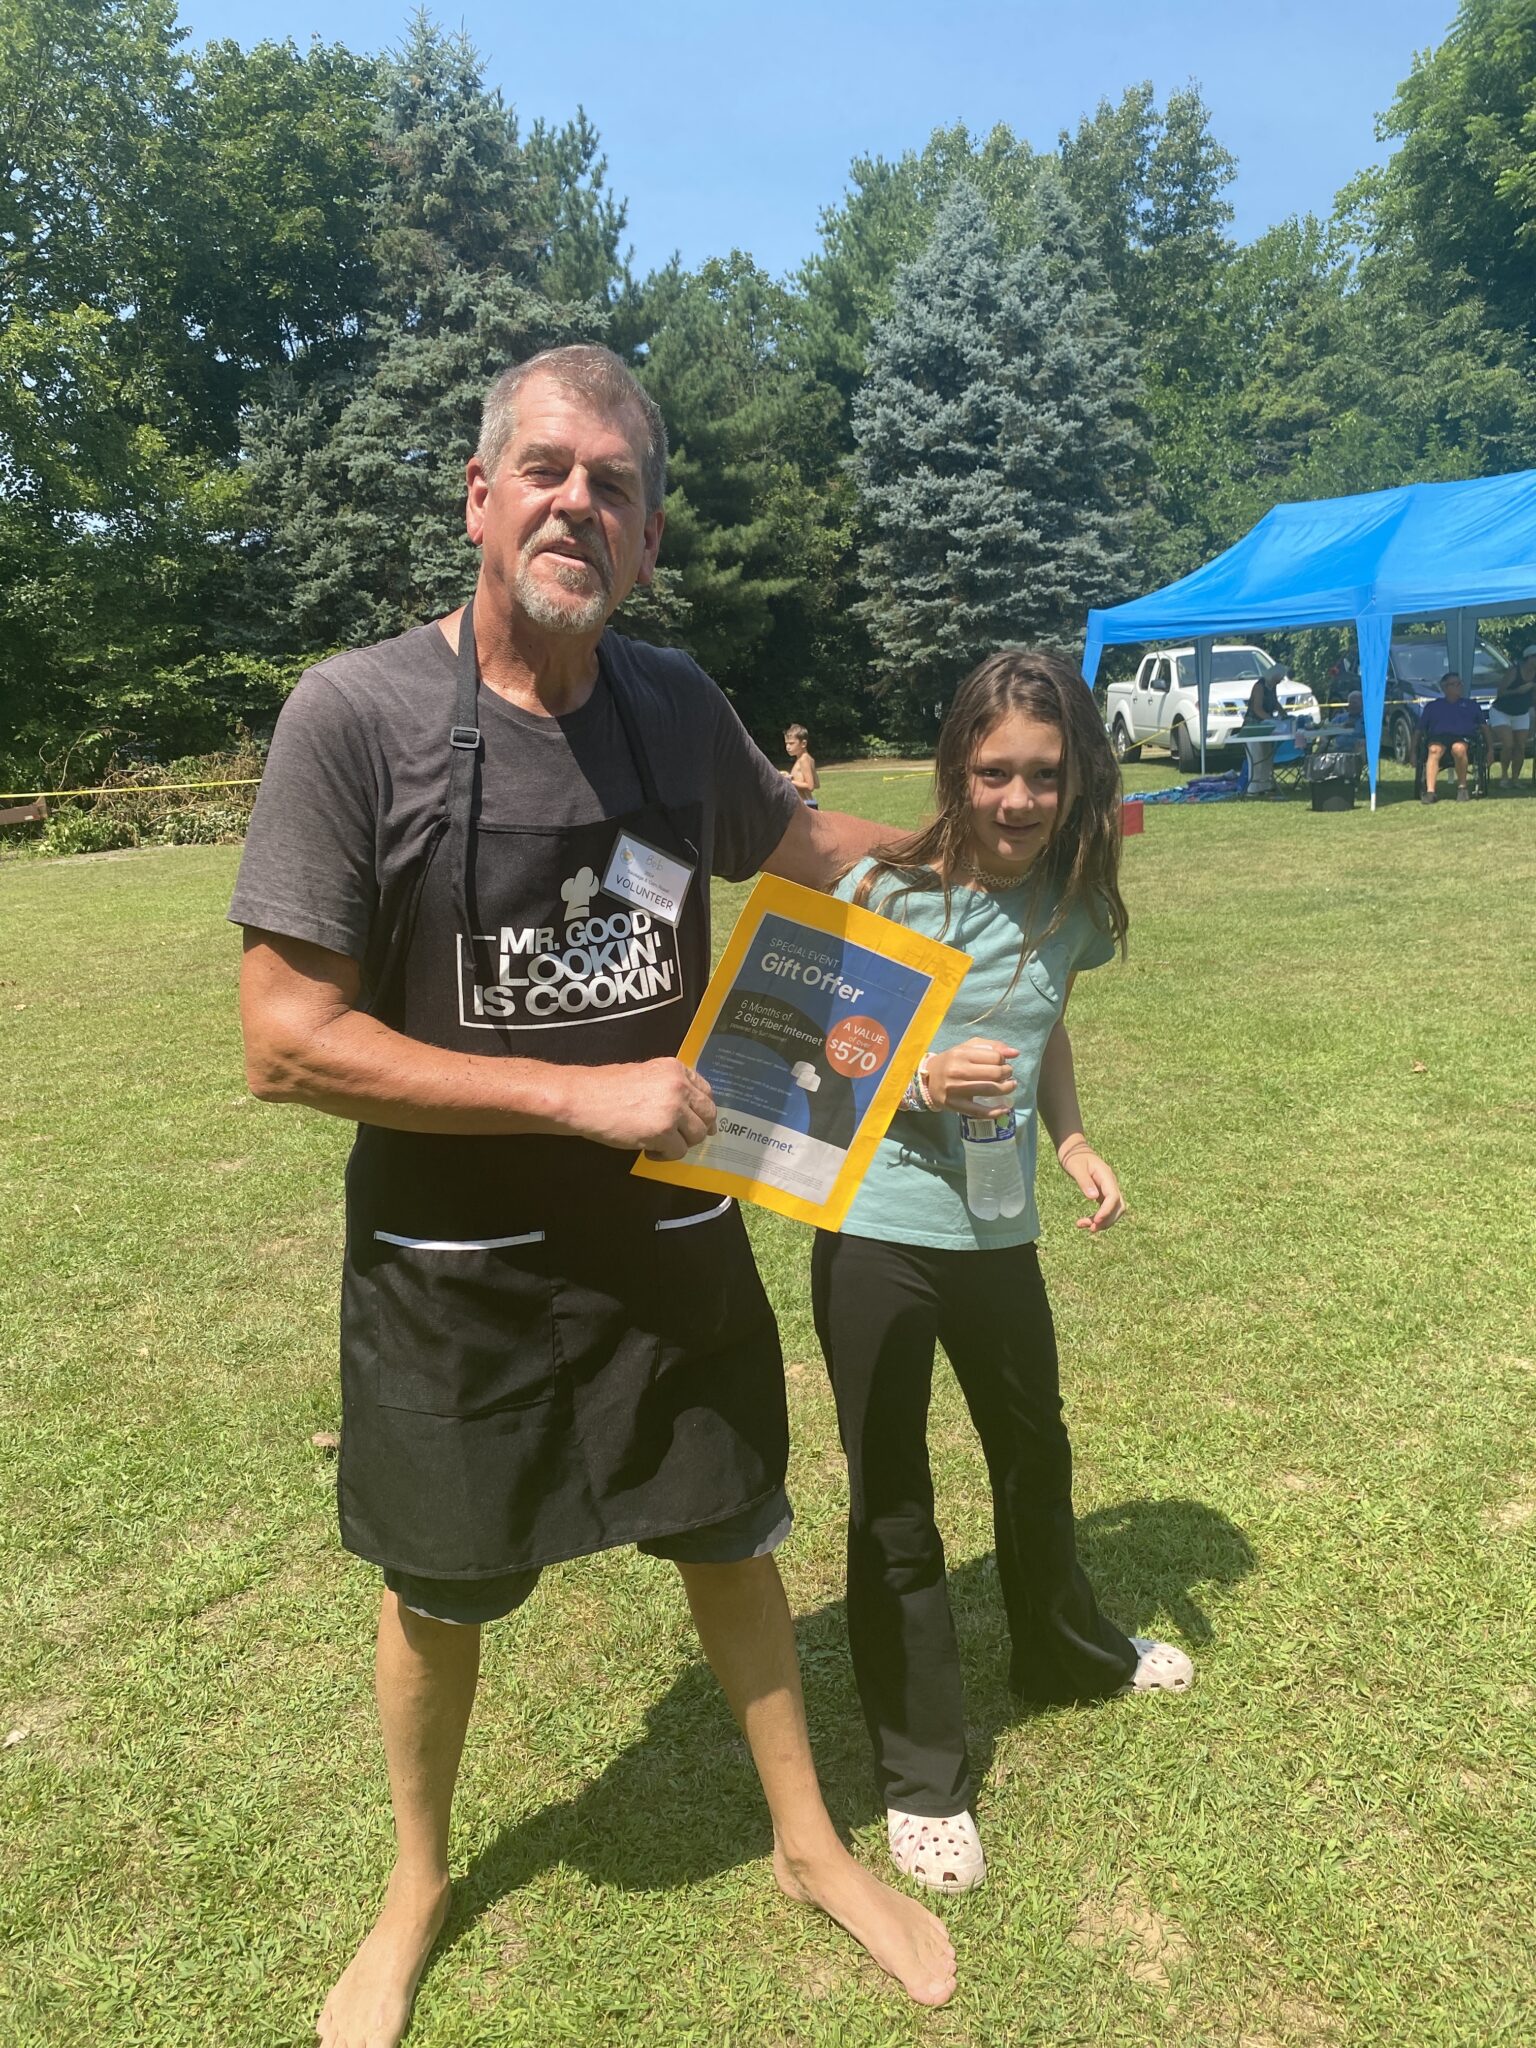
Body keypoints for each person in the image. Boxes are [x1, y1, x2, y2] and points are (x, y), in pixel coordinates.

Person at [231, 344, 958, 2048]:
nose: (579, 503)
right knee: (439, 1586)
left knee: (734, 1532)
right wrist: (575, 1090)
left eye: (615, 485)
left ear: (647, 536)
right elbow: (284, 1041)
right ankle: (416, 1886)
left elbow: (797, 846)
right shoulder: (356, 717)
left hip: (670, 1232)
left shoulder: (675, 708)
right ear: (480, 497)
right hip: (451, 1265)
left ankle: (806, 1843)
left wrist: (967, 848)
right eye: (548, 469)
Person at [810, 648, 1192, 1898]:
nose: (1018, 799)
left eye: (1043, 773)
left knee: (1035, 1450)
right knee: (894, 1496)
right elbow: (817, 1044)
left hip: (997, 1232)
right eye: (994, 773)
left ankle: (1065, 1647)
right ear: (955, 771)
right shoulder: (885, 888)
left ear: (1076, 776)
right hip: (876, 1232)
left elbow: (1047, 1020)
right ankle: (923, 1774)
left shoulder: (1073, 898)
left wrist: (1070, 1137)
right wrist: (917, 1075)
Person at [1419, 672, 1485, 804]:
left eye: (1460, 684)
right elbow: (1419, 729)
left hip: (1464, 737)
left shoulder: (1471, 705)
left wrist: (1489, 750)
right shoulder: (1433, 706)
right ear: (1445, 688)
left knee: (1458, 748)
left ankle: (1462, 788)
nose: (1459, 687)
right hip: (1439, 737)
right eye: (1455, 684)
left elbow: (1484, 727)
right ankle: (1430, 792)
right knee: (1434, 749)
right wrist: (1413, 751)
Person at [1488, 646, 1535, 791]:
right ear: (1529, 658)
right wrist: (1518, 691)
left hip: (1521, 713)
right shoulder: (1514, 671)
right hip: (1501, 712)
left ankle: (1515, 779)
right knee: (1508, 744)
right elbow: (1501, 692)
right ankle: (1504, 777)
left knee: (1520, 746)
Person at [1244, 666, 1286, 796]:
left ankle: (1266, 784)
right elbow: (1257, 709)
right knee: (1256, 756)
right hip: (1253, 727)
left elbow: (1275, 703)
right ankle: (1254, 788)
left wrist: (1283, 714)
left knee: (1267, 755)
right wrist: (1271, 719)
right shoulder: (1259, 686)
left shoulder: (1272, 687)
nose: (1280, 681)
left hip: (1266, 727)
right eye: (1279, 678)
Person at [784, 723, 820, 807]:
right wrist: (790, 777)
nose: (788, 747)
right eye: (786, 743)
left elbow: (810, 786)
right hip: (809, 803)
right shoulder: (808, 759)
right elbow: (816, 784)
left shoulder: (803, 759)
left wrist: (788, 781)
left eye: (791, 743)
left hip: (805, 805)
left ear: (803, 744)